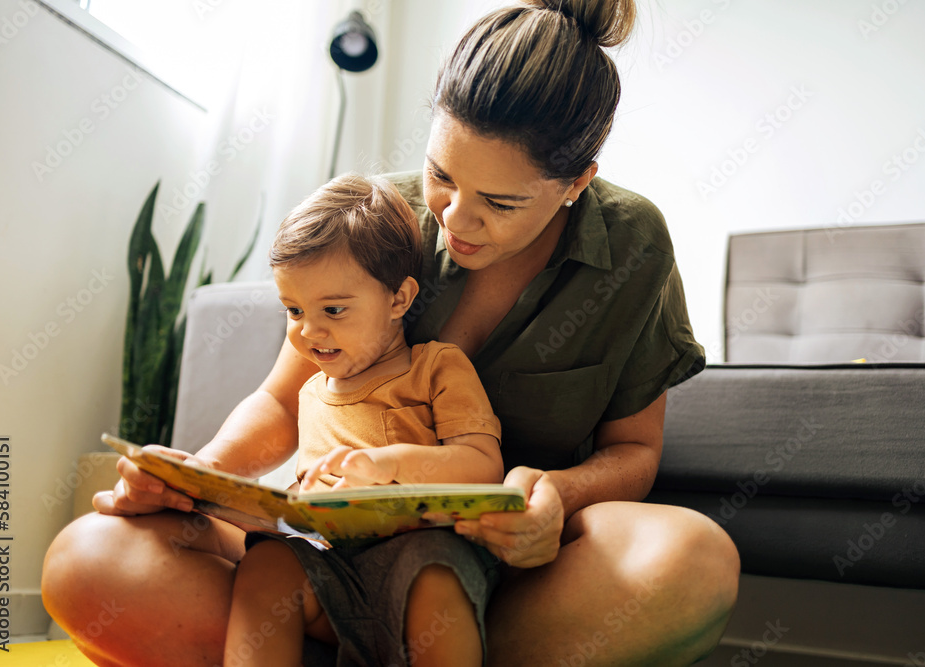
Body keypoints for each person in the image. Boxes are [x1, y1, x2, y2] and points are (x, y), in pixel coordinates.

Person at [42, 1, 740, 665]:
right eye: (442, 175)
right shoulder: (379, 220)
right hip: (328, 562)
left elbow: (634, 450)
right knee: (87, 561)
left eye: (500, 203)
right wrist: (199, 473)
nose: (456, 220)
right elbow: (285, 400)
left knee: (692, 561)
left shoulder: (633, 244)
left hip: (515, 575)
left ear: (577, 182)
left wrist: (557, 494)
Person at [224, 173, 504, 667]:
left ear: (399, 299)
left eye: (333, 309)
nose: (310, 331)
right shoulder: (310, 392)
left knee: (433, 574)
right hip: (329, 567)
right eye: (293, 310)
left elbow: (484, 466)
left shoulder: (437, 367)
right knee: (266, 563)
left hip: (424, 554)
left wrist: (385, 464)